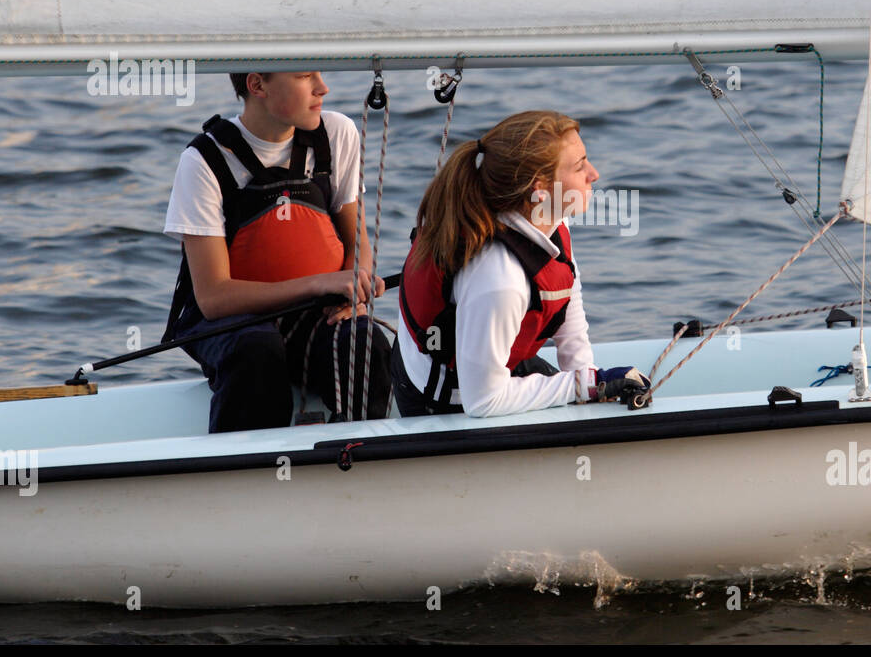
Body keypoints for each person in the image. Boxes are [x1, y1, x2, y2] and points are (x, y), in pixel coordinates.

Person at [163, 70, 391, 432]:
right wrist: (317, 284)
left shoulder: (336, 134)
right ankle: (243, 471)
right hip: (234, 323)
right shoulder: (203, 161)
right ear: (257, 85)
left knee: (365, 344)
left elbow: (356, 244)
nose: (323, 87)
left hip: (315, 316)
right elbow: (213, 298)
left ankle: (355, 457)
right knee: (257, 351)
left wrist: (354, 293)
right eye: (305, 77)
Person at [392, 109, 649, 417]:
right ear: (540, 188)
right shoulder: (500, 279)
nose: (594, 174)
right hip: (446, 394)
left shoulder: (548, 217)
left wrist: (588, 381)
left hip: (486, 358)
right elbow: (483, 401)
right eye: (580, 166)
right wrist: (585, 385)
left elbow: (569, 296)